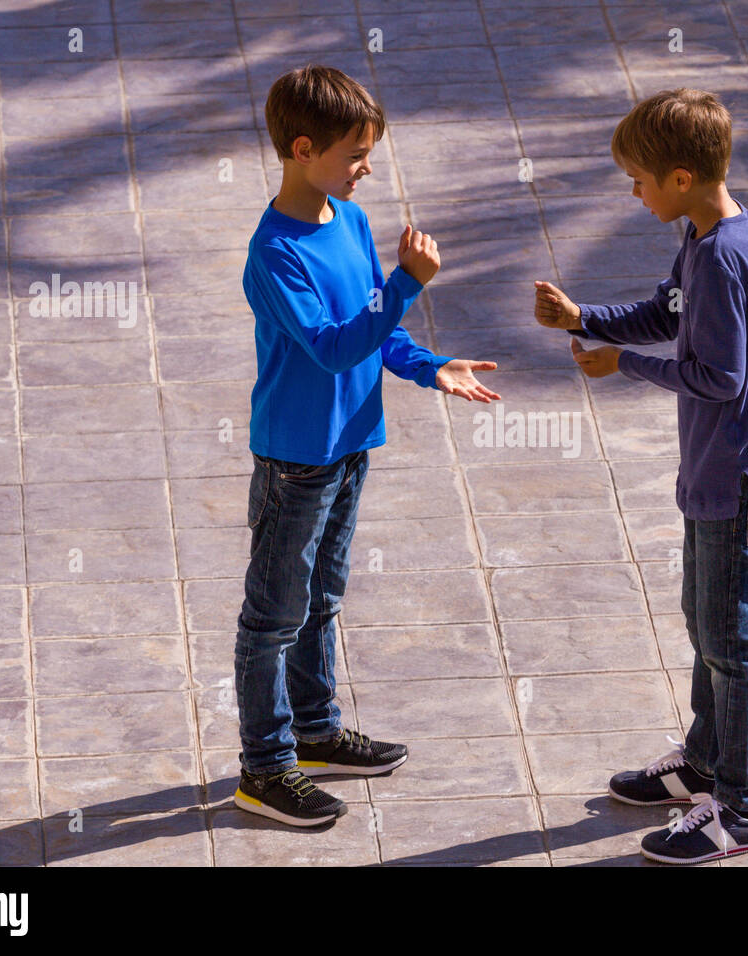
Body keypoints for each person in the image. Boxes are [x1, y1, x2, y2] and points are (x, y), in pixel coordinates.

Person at [534, 88, 748, 863]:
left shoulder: (724, 255)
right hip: (717, 474)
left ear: (682, 177)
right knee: (708, 620)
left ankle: (745, 810)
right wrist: (583, 318)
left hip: (741, 478)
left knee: (734, 640)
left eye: (640, 179)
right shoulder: (712, 234)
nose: (634, 192)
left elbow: (718, 377)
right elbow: (670, 310)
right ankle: (704, 763)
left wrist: (621, 364)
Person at [233, 64, 500, 827]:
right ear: (302, 148)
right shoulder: (275, 253)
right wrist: (407, 282)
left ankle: (314, 732)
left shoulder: (347, 222)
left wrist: (427, 366)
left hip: (350, 446)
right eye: (356, 155)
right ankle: (265, 766)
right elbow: (330, 346)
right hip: (296, 459)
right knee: (272, 617)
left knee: (323, 597)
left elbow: (377, 333)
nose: (367, 169)